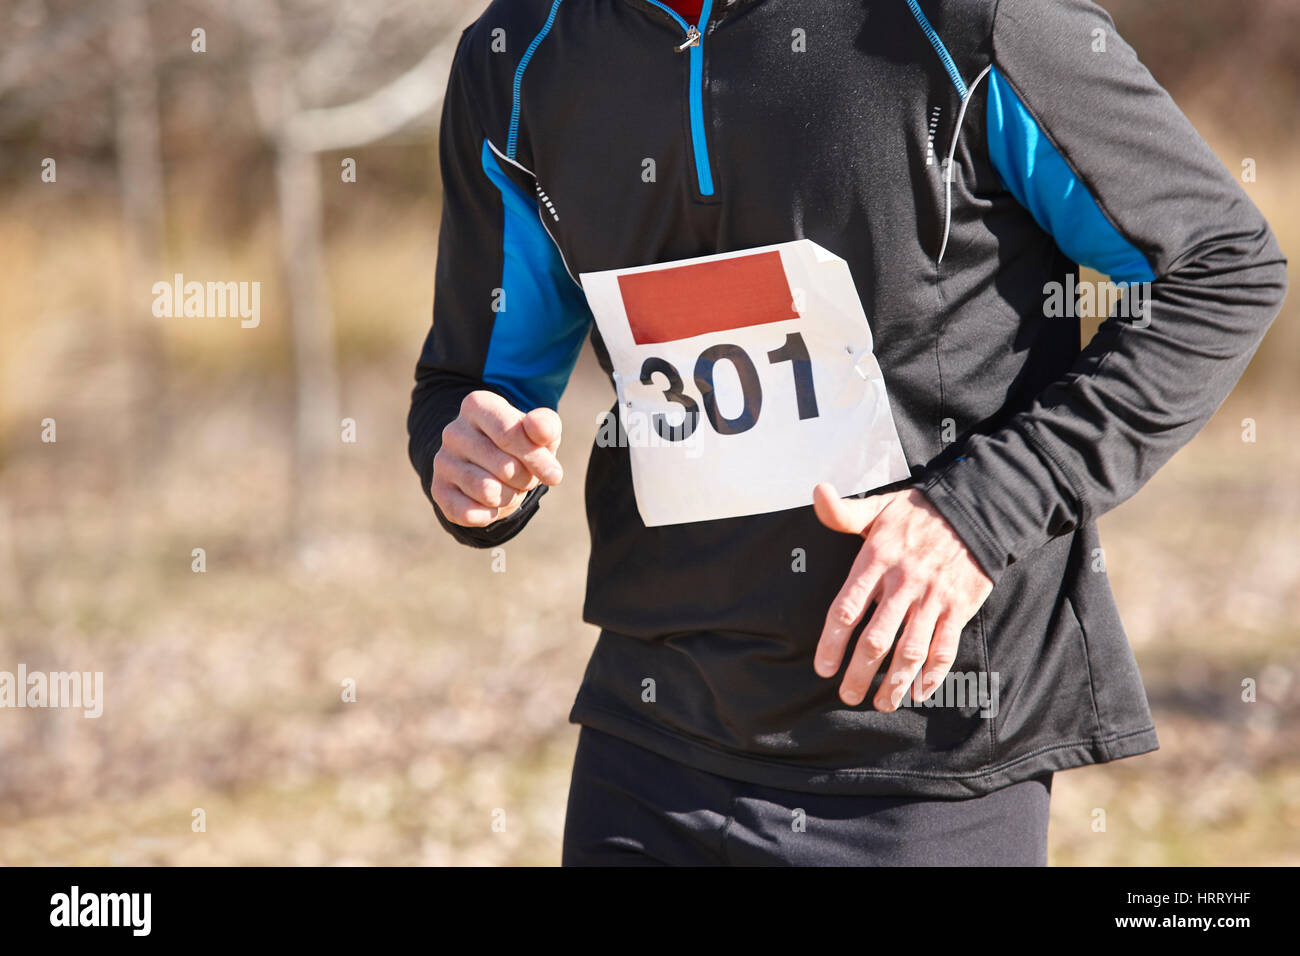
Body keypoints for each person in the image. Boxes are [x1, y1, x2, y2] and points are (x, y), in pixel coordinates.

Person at [407, 0, 1287, 866]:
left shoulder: (973, 19)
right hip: (650, 739)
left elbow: (1218, 268)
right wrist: (469, 460)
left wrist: (978, 514)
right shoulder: (516, 49)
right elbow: (472, 385)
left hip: (926, 750)